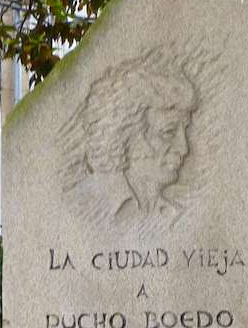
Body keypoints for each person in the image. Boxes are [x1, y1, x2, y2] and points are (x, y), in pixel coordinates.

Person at [62, 48, 198, 233]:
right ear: (123, 135)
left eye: (185, 131)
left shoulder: (173, 215)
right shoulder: (76, 208)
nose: (184, 148)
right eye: (168, 132)